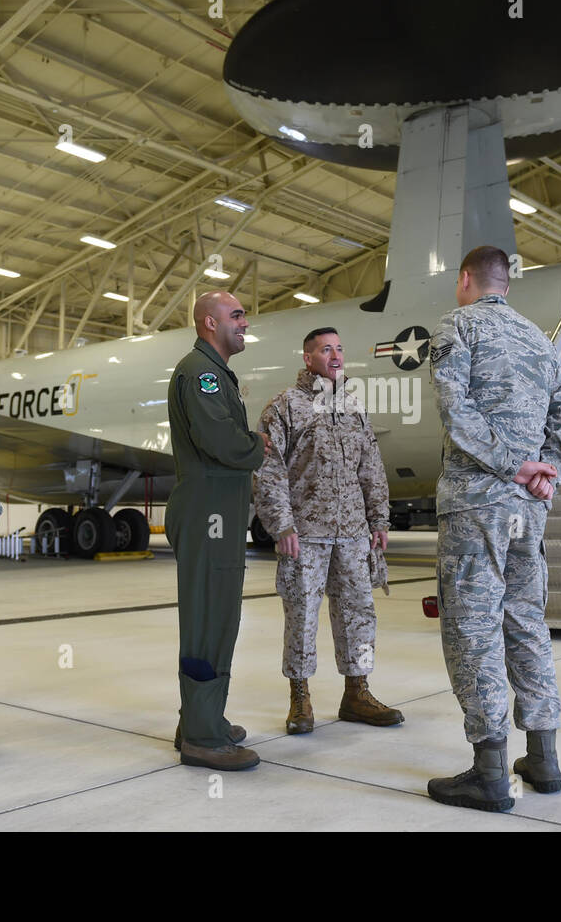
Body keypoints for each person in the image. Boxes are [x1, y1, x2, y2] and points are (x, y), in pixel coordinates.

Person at [427, 245, 561, 812]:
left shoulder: (457, 326)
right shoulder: (539, 340)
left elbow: (453, 406)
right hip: (527, 509)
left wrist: (506, 463)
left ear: (466, 278)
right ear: (507, 285)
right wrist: (547, 475)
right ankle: (543, 757)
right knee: (526, 621)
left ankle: (489, 772)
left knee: (472, 626)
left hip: (476, 503)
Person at [253, 327, 403, 735]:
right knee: (301, 614)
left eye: (339, 348)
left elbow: (371, 466)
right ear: (308, 358)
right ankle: (299, 697)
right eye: (325, 350)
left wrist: (379, 520)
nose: (336, 356)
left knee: (359, 612)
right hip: (306, 533)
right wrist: (281, 524)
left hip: (353, 532)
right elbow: (269, 469)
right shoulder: (285, 406)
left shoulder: (354, 407)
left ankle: (357, 692)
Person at [166, 291, 273, 771]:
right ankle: (203, 737)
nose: (244, 322)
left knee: (217, 619)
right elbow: (221, 441)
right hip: (210, 514)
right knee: (210, 621)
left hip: (220, 515)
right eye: (236, 315)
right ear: (209, 323)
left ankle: (201, 717)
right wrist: (257, 445)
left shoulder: (214, 371)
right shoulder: (202, 373)